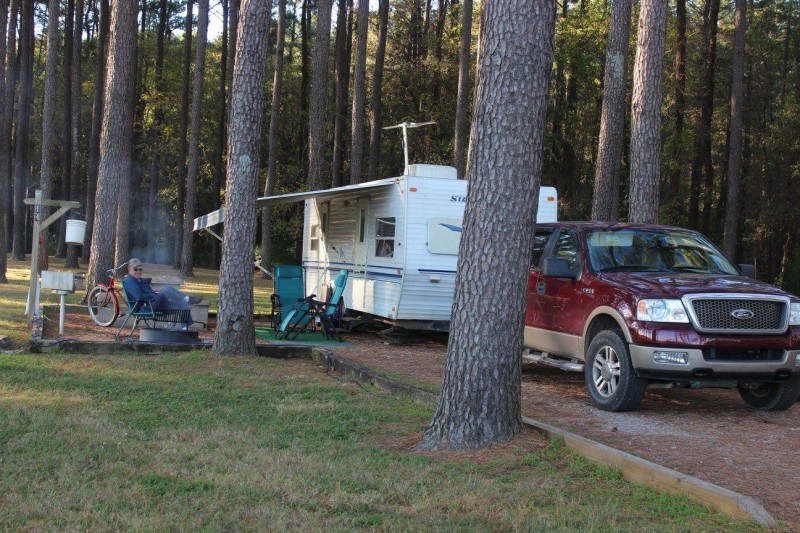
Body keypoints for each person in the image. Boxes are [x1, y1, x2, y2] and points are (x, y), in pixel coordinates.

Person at [122, 258, 202, 330]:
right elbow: (139, 297)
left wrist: (156, 293)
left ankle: (185, 328)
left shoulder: (139, 280)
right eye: (135, 269)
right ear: (129, 270)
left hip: (153, 303)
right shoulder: (129, 281)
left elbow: (148, 293)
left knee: (180, 302)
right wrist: (155, 296)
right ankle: (187, 299)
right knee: (166, 289)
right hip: (146, 307)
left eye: (140, 269)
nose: (138, 272)